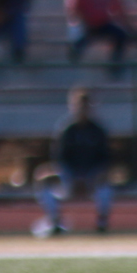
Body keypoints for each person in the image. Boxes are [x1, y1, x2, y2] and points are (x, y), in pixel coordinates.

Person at [36, 88, 114, 235]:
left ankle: (102, 224)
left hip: (93, 179)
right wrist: (73, 178)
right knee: (43, 179)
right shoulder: (67, 130)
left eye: (86, 106)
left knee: (106, 188)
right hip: (69, 178)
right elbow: (59, 158)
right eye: (79, 105)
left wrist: (94, 176)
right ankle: (55, 222)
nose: (82, 110)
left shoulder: (97, 131)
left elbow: (105, 159)